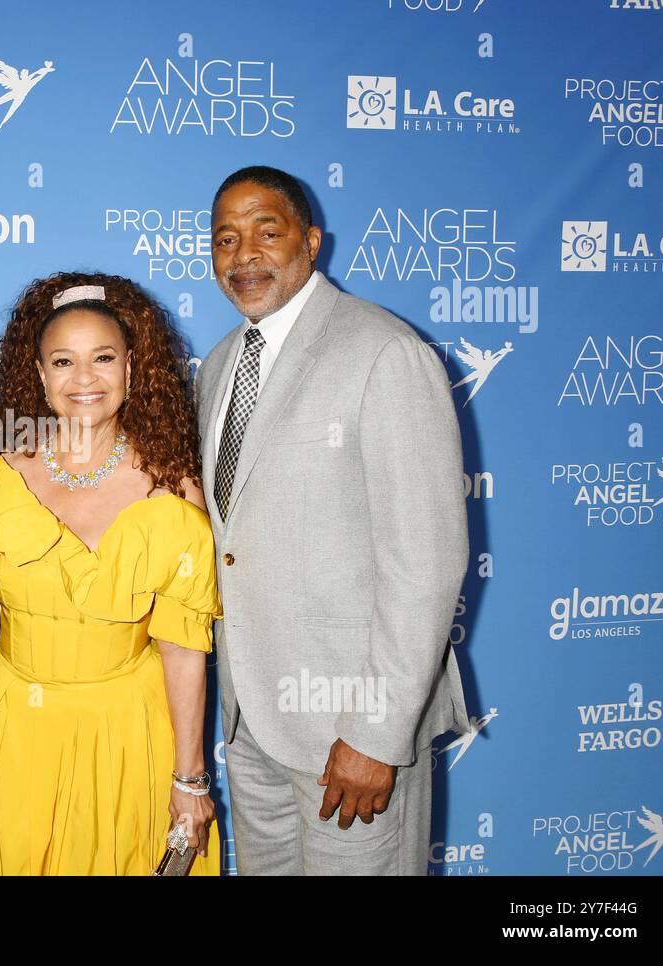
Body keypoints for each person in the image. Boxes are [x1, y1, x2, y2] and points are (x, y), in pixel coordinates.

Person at [197, 165, 469, 876]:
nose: (244, 254)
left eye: (267, 231)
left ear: (311, 242)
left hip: (352, 727)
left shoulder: (385, 351)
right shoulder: (221, 364)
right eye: (226, 238)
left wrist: (376, 734)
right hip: (252, 721)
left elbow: (428, 562)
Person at [0, 272, 221, 876]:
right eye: (63, 361)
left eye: (103, 358)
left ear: (130, 366)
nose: (85, 379)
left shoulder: (172, 483)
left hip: (130, 736)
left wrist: (191, 779)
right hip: (13, 729)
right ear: (40, 375)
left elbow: (182, 649)